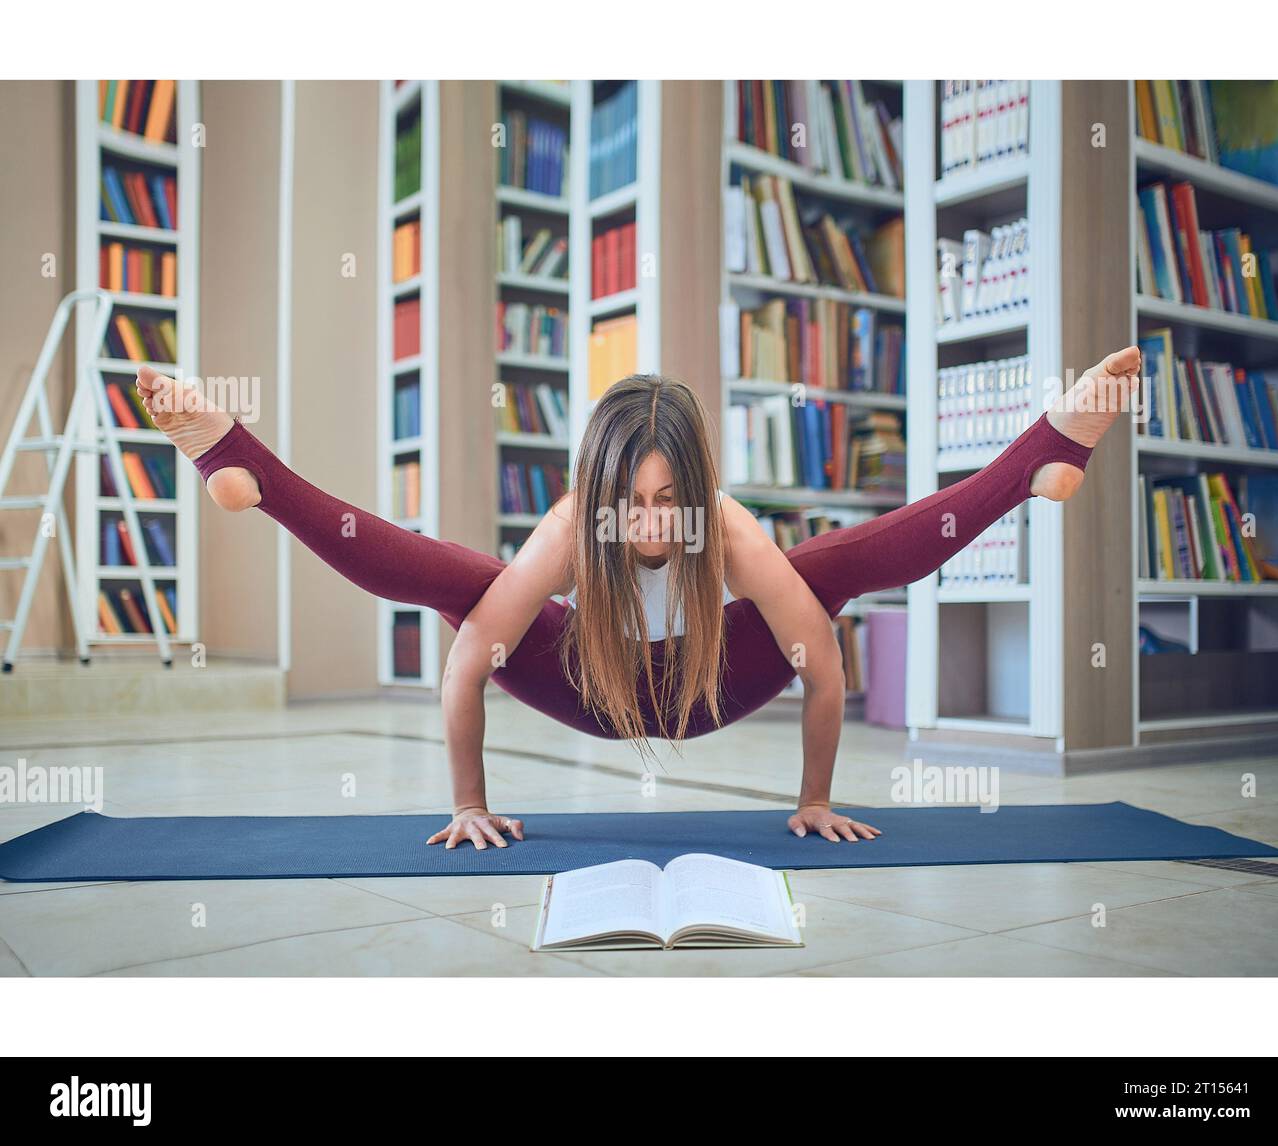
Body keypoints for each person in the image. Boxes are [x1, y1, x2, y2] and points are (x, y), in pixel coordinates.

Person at [135, 345, 1139, 852]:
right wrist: (471, 805)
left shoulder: (731, 531)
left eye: (670, 504)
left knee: (829, 569)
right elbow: (471, 655)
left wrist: (816, 798)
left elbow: (818, 663)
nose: (651, 525)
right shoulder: (575, 523)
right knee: (463, 580)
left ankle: (1039, 454)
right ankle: (243, 468)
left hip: (711, 687)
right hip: (589, 686)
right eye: (631, 504)